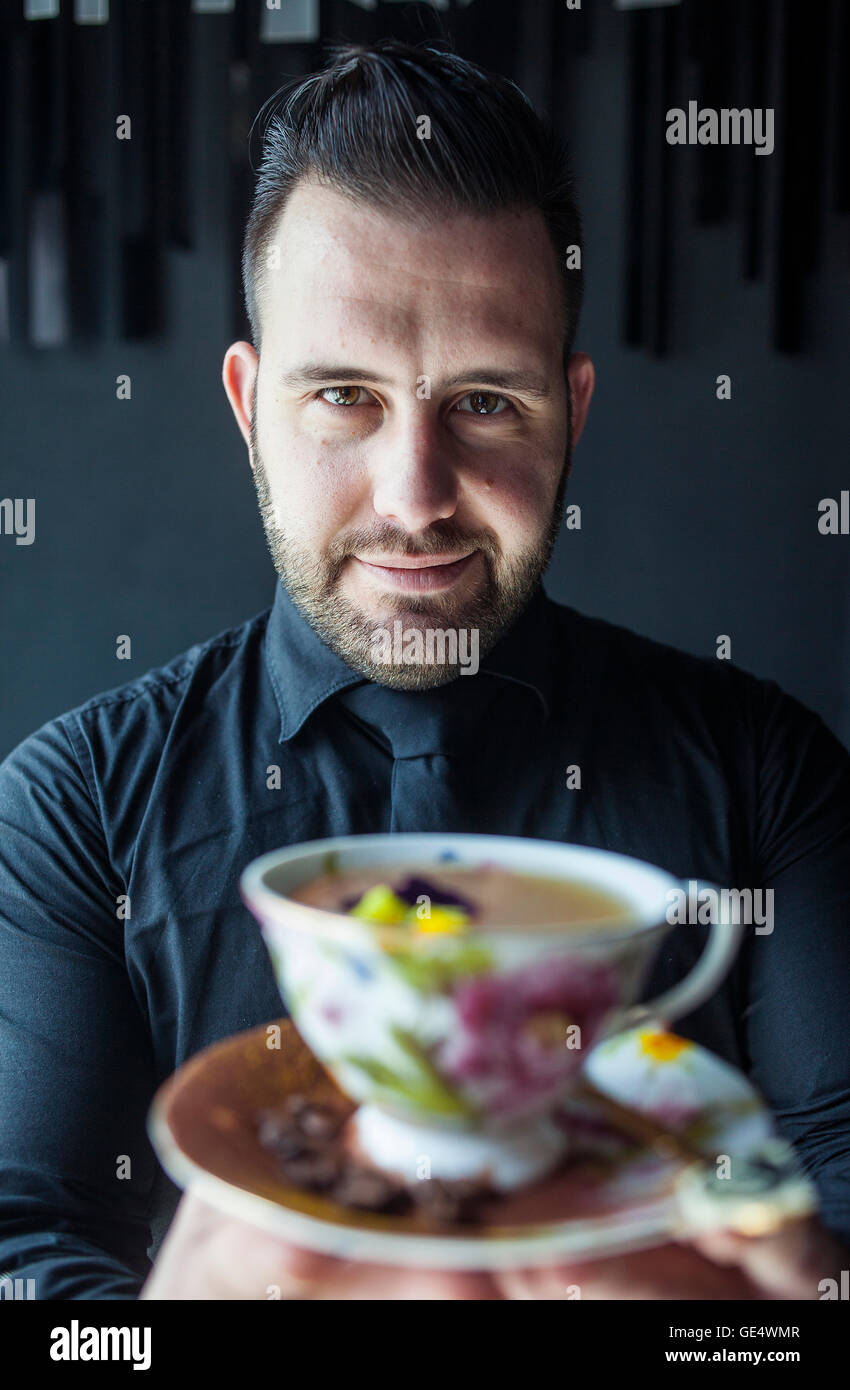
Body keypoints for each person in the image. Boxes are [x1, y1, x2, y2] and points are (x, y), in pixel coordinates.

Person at [1, 39, 848, 1302]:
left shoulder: (769, 775)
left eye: (486, 403)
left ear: (571, 410)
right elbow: (24, 1243)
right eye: (343, 396)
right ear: (248, 410)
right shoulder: (75, 805)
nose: (416, 498)